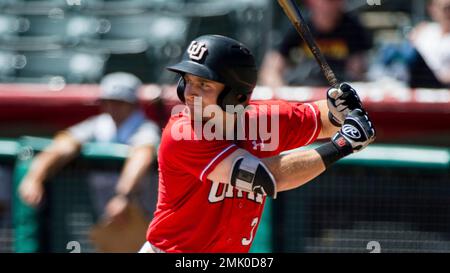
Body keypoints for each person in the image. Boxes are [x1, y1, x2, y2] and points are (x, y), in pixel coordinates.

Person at [139, 35, 375, 253]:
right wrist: (341, 145)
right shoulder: (183, 133)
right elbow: (267, 178)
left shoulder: (263, 120)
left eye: (204, 84)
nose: (190, 92)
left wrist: (341, 108)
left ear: (237, 95)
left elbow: (322, 118)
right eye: (187, 81)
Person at [18, 72, 161, 224]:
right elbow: (65, 143)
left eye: (119, 102)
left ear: (133, 104)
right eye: (108, 101)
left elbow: (143, 154)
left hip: (146, 219)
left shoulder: (145, 128)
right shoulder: (100, 124)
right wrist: (34, 177)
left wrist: (123, 196)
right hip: (107, 218)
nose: (112, 107)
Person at [259, 0, 372, 88]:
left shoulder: (352, 27)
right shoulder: (299, 23)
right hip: (305, 94)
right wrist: (282, 94)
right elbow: (272, 67)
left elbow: (358, 72)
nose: (329, 6)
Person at [408, 0, 450, 88]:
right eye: (443, 8)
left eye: (448, 8)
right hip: (419, 81)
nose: (447, 13)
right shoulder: (426, 31)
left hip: (442, 85)